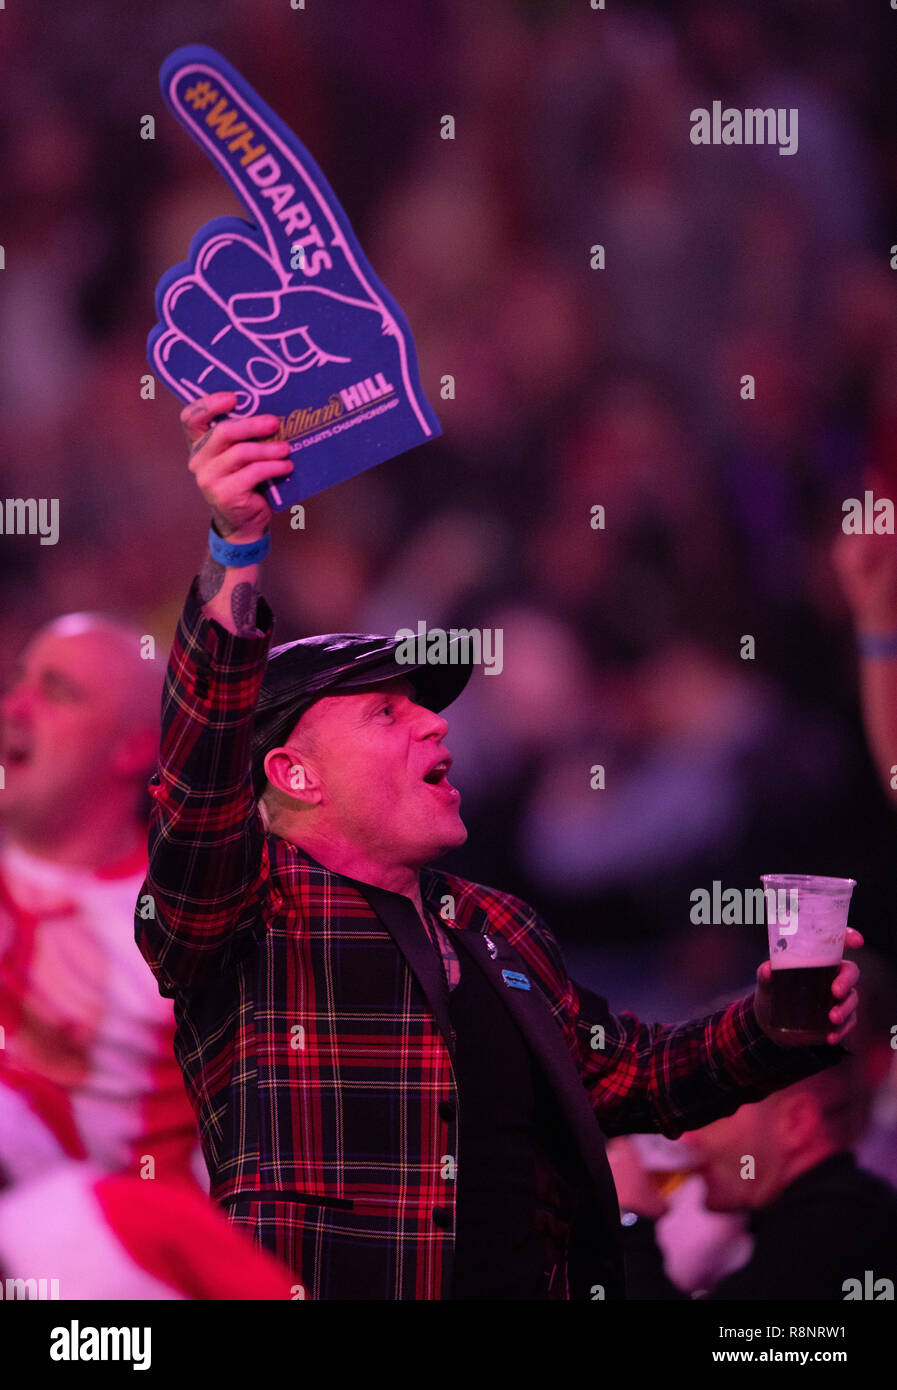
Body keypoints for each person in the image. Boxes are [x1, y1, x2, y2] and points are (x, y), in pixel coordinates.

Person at [136, 390, 863, 1301]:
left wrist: (770, 1023)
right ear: (295, 774)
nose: (436, 727)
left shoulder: (498, 927)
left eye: (427, 710)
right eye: (387, 713)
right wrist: (236, 547)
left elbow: (631, 1077)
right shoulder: (245, 910)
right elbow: (199, 783)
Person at [0, 610, 201, 1186]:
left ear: (133, 750)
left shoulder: (180, 930)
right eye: (18, 681)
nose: (14, 707)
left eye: (57, 692)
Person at [612, 1055, 897, 1300]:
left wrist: (629, 1221)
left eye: (712, 1112)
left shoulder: (836, 1231)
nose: (686, 1137)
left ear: (795, 1123)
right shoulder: (844, 1216)